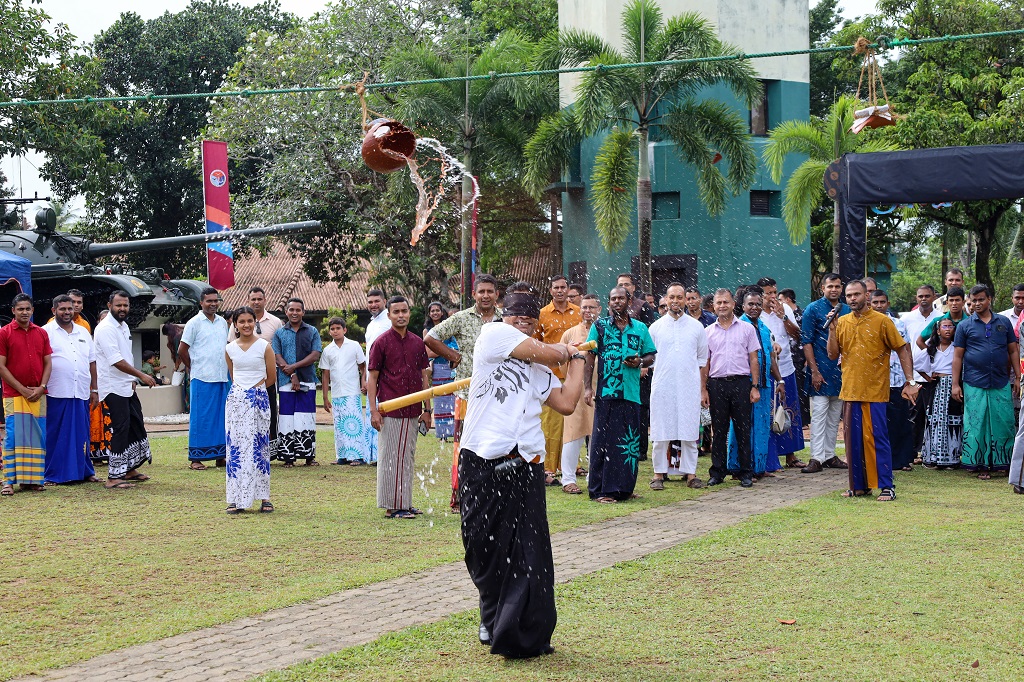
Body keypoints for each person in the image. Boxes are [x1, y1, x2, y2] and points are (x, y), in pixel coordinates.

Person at [458, 287, 586, 658]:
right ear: (505, 315)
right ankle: (490, 612)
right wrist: (567, 350)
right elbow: (550, 350)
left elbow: (565, 402)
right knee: (483, 546)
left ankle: (525, 632)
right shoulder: (493, 336)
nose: (523, 321)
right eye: (517, 315)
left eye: (530, 318)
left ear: (537, 323)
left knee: (528, 553)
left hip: (526, 464)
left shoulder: (539, 370)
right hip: (483, 459)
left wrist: (577, 363)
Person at [828, 280, 918, 501]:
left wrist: (910, 380)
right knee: (853, 442)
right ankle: (859, 486)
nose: (852, 299)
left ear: (866, 296)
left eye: (856, 294)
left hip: (875, 391)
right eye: (848, 295)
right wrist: (832, 329)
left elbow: (902, 349)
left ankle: (887, 486)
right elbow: (832, 355)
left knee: (877, 439)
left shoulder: (882, 321)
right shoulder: (842, 322)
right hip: (850, 391)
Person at [424, 274, 501, 509]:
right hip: (467, 395)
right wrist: (453, 355)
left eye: (490, 291)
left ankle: (492, 493)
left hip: (498, 395)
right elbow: (430, 338)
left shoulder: (504, 320)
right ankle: (460, 495)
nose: (486, 296)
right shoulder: (461, 318)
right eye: (482, 292)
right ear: (474, 295)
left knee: (495, 446)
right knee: (463, 446)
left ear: (497, 294)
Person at [584, 286, 656, 502]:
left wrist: (640, 362)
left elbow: (650, 356)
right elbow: (589, 357)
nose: (617, 302)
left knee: (629, 442)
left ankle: (624, 488)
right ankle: (601, 490)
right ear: (609, 303)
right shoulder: (600, 326)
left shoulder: (641, 328)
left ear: (629, 300)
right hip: (607, 393)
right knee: (603, 442)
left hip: (632, 393)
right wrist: (588, 387)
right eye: (613, 299)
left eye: (620, 298)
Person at [367, 296, 430, 519]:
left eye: (404, 311)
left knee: (407, 456)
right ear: (389, 314)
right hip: (390, 408)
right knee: (390, 456)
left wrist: (427, 410)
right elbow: (372, 379)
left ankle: (405, 501)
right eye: (396, 312)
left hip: (413, 409)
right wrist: (374, 410)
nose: (401, 315)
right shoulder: (381, 342)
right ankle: (393, 506)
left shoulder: (416, 342)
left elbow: (424, 377)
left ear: (409, 313)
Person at [952, 285, 1021, 479]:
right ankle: (980, 465)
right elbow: (957, 357)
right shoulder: (965, 326)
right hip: (974, 382)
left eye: (981, 299)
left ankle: (1002, 463)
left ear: (989, 299)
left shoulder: (1004, 322)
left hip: (1000, 381)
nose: (976, 304)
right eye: (973, 301)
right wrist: (955, 384)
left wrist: (1017, 377)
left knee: (1004, 422)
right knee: (977, 423)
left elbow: (1013, 350)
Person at [94, 290, 157, 489]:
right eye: (118, 305)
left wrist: (132, 379)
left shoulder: (123, 326)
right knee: (120, 427)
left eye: (125, 305)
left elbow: (126, 356)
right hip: (113, 386)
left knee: (134, 424)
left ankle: (129, 469)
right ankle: (113, 477)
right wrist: (141, 375)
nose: (122, 309)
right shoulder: (105, 329)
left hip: (126, 385)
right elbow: (115, 361)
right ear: (109, 305)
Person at [648, 283, 708, 490]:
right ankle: (658, 474)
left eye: (679, 297)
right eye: (671, 297)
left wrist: (701, 388)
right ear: (665, 299)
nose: (675, 301)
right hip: (662, 386)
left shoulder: (697, 327)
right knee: (660, 430)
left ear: (685, 300)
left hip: (688, 387)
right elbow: (651, 360)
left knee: (689, 431)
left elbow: (702, 359)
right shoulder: (655, 328)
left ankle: (691, 474)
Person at [705, 288, 761, 488]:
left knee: (743, 430)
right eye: (718, 303)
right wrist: (704, 389)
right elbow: (706, 363)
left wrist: (754, 386)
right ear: (713, 306)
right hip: (717, 384)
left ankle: (746, 472)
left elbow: (754, 360)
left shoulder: (747, 329)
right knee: (718, 431)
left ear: (733, 304)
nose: (722, 306)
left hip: (741, 383)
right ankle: (717, 472)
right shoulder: (708, 332)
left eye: (726, 302)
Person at [224, 306, 277, 514]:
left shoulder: (264, 346)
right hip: (236, 402)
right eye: (241, 321)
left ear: (255, 322)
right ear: (235, 324)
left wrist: (255, 390)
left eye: (249, 321)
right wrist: (242, 393)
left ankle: (264, 498)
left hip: (258, 400)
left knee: (259, 448)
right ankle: (235, 498)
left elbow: (271, 377)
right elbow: (233, 376)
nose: (246, 325)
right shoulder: (229, 349)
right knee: (236, 448)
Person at [43, 295, 100, 485]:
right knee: (56, 434)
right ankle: (52, 474)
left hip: (81, 390)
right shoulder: (46, 332)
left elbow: (92, 361)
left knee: (81, 434)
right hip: (56, 391)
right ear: (54, 311)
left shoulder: (83, 332)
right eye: (63, 309)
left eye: (70, 309)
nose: (67, 312)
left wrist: (95, 389)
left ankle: (85, 471)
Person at [727, 291, 785, 478]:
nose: (754, 308)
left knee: (761, 427)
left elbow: (770, 357)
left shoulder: (764, 328)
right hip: (743, 385)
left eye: (757, 304)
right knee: (741, 427)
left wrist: (780, 380)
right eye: (750, 304)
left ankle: (758, 468)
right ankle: (737, 467)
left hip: (764, 386)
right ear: (742, 306)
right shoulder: (738, 327)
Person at [0, 294, 53, 495]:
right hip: (14, 394)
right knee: (13, 437)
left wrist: (41, 387)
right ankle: (8, 481)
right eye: (20, 309)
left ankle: (32, 480)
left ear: (32, 310)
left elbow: (48, 362)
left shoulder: (41, 333)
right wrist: (22, 389)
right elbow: (1, 366)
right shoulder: (4, 333)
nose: (24, 312)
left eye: (27, 309)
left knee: (36, 436)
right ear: (13, 310)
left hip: (38, 393)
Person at [800, 274, 850, 473]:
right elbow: (807, 341)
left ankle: (829, 455)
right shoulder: (813, 309)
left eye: (838, 286)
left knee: (834, 416)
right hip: (819, 371)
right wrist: (814, 371)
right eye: (830, 286)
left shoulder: (847, 310)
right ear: (823, 288)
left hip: (841, 373)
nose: (834, 290)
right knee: (819, 415)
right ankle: (816, 458)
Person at [535, 275, 581, 484]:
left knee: (574, 422)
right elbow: (536, 342)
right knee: (550, 424)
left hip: (574, 373)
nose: (560, 290)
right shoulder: (542, 314)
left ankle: (571, 465)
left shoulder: (578, 313)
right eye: (556, 287)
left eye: (563, 287)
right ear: (551, 290)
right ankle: (548, 468)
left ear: (568, 289)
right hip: (550, 374)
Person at [179, 287, 230, 470]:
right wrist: (193, 367)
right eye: (209, 301)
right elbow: (182, 350)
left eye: (216, 301)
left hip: (221, 377)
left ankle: (220, 456)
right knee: (201, 418)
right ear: (201, 303)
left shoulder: (223, 322)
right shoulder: (194, 323)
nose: (213, 304)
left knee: (221, 418)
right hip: (201, 378)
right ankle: (196, 458)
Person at [558, 293, 601, 494]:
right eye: (584, 307)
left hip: (599, 390)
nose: (587, 311)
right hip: (574, 392)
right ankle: (568, 479)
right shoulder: (570, 334)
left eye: (592, 307)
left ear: (599, 310)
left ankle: (595, 477)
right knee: (572, 435)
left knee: (597, 436)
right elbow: (560, 361)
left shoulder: (604, 332)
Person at [761, 280, 806, 468]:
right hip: (766, 371)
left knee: (789, 410)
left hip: (787, 367)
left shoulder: (785, 309)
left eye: (774, 292)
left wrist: (784, 318)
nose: (772, 297)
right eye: (768, 293)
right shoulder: (756, 313)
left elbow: (798, 335)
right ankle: (770, 457)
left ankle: (790, 455)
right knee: (769, 413)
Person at [272, 298, 322, 466]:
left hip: (307, 380)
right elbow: (277, 355)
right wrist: (291, 373)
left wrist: (293, 368)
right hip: (285, 380)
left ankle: (308, 456)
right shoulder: (279, 333)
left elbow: (315, 354)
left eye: (298, 310)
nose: (294, 313)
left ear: (303, 312)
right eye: (291, 310)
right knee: (286, 418)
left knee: (307, 417)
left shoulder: (312, 331)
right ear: (286, 312)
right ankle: (288, 457)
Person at [870, 290, 916, 472]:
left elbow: (906, 350)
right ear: (870, 304)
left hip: (897, 379)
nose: (879, 305)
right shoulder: (867, 324)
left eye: (882, 302)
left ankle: (901, 460)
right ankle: (880, 459)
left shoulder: (898, 324)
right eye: (875, 302)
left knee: (900, 420)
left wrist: (909, 379)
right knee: (879, 422)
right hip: (875, 381)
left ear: (888, 304)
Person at [238, 287, 284, 457]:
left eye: (259, 299)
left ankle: (269, 452)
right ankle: (247, 449)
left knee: (269, 412)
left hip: (268, 376)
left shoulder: (275, 322)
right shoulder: (239, 320)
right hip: (244, 378)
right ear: (248, 300)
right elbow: (230, 347)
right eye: (253, 299)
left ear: (265, 300)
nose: (256, 302)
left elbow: (279, 349)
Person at [320, 317, 369, 465]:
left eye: (338, 328)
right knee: (340, 424)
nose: (335, 331)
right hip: (336, 393)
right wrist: (324, 397)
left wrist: (363, 382)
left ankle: (357, 456)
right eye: (332, 329)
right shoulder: (327, 350)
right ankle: (342, 456)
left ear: (344, 330)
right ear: (329, 331)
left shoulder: (354, 346)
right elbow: (325, 374)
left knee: (354, 423)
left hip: (352, 391)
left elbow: (363, 366)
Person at [916, 318, 962, 469]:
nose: (948, 329)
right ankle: (932, 457)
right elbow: (917, 364)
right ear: (938, 330)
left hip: (953, 385)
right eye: (944, 326)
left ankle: (951, 459)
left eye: (951, 326)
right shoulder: (932, 348)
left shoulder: (957, 347)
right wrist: (928, 378)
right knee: (934, 420)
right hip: (936, 387)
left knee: (952, 420)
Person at [361, 288, 390, 464]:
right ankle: (373, 456)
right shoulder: (371, 324)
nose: (373, 305)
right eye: (370, 302)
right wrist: (366, 378)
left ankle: (384, 455)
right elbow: (368, 354)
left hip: (386, 378)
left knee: (385, 414)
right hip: (372, 377)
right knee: (373, 413)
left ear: (384, 301)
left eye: (377, 301)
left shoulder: (389, 321)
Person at [423, 302, 456, 441]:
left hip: (451, 368)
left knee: (453, 399)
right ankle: (442, 434)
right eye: (432, 311)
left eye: (437, 310)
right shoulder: (427, 330)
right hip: (438, 369)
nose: (435, 313)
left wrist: (439, 348)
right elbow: (428, 353)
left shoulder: (448, 327)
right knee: (440, 400)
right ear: (429, 314)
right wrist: (444, 350)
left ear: (442, 312)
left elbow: (455, 348)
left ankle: (454, 432)